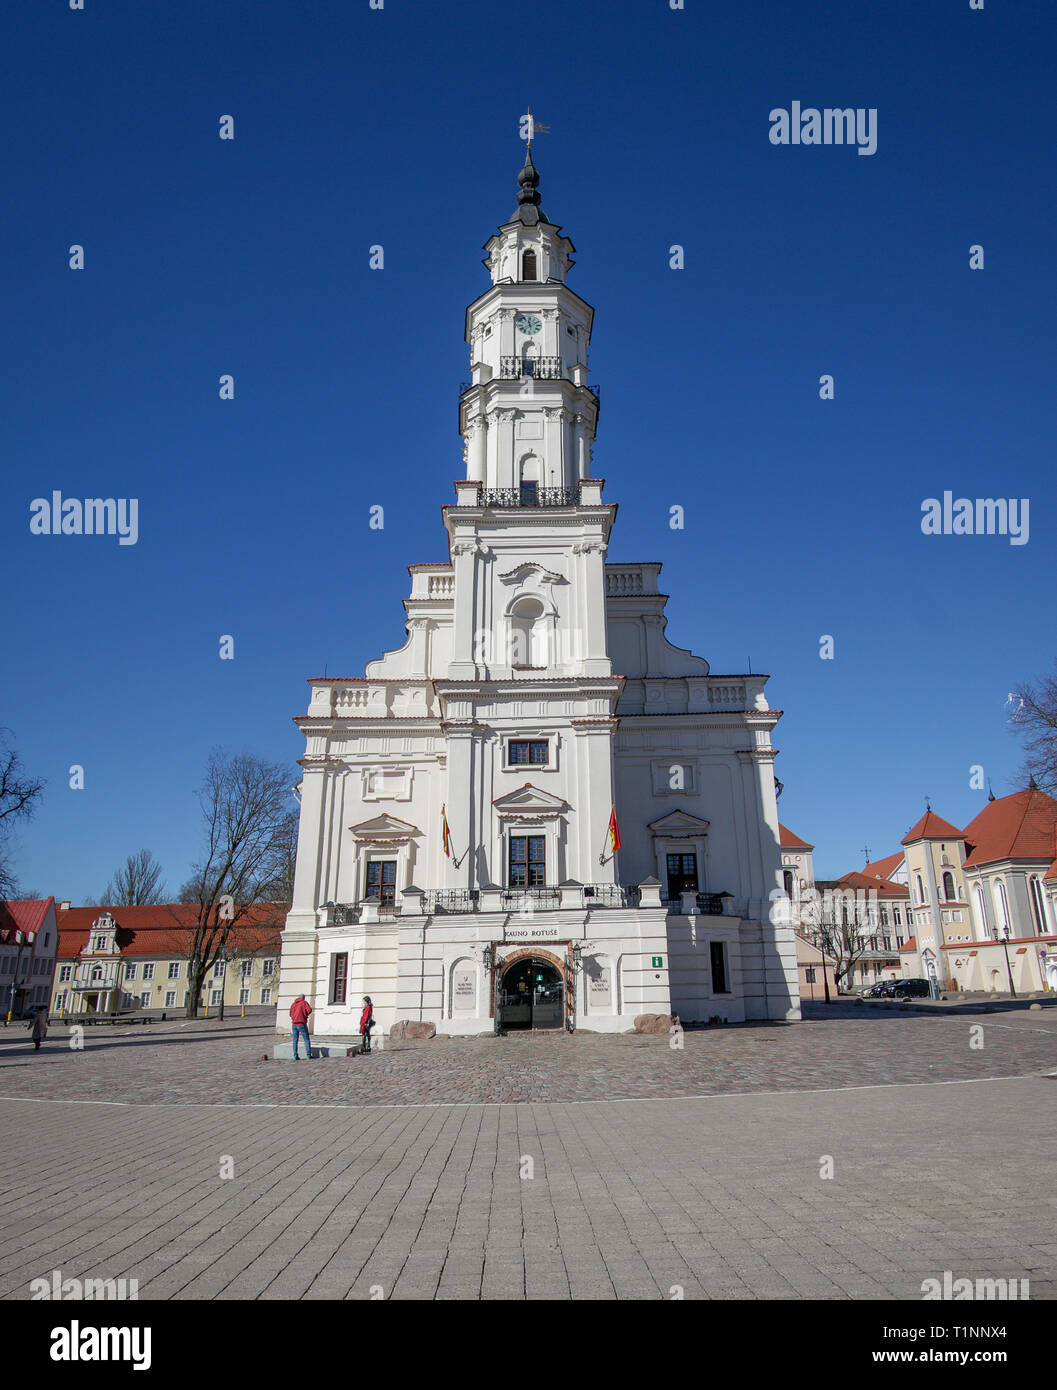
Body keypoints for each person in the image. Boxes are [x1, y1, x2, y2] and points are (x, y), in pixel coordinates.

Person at [289, 994, 313, 1060]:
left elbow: (290, 1014)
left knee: (295, 1040)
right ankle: (308, 1054)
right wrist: (305, 1014)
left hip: (294, 1024)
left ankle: (295, 1055)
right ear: (303, 998)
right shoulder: (304, 1003)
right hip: (302, 1023)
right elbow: (309, 1010)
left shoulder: (293, 1004)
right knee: (306, 1039)